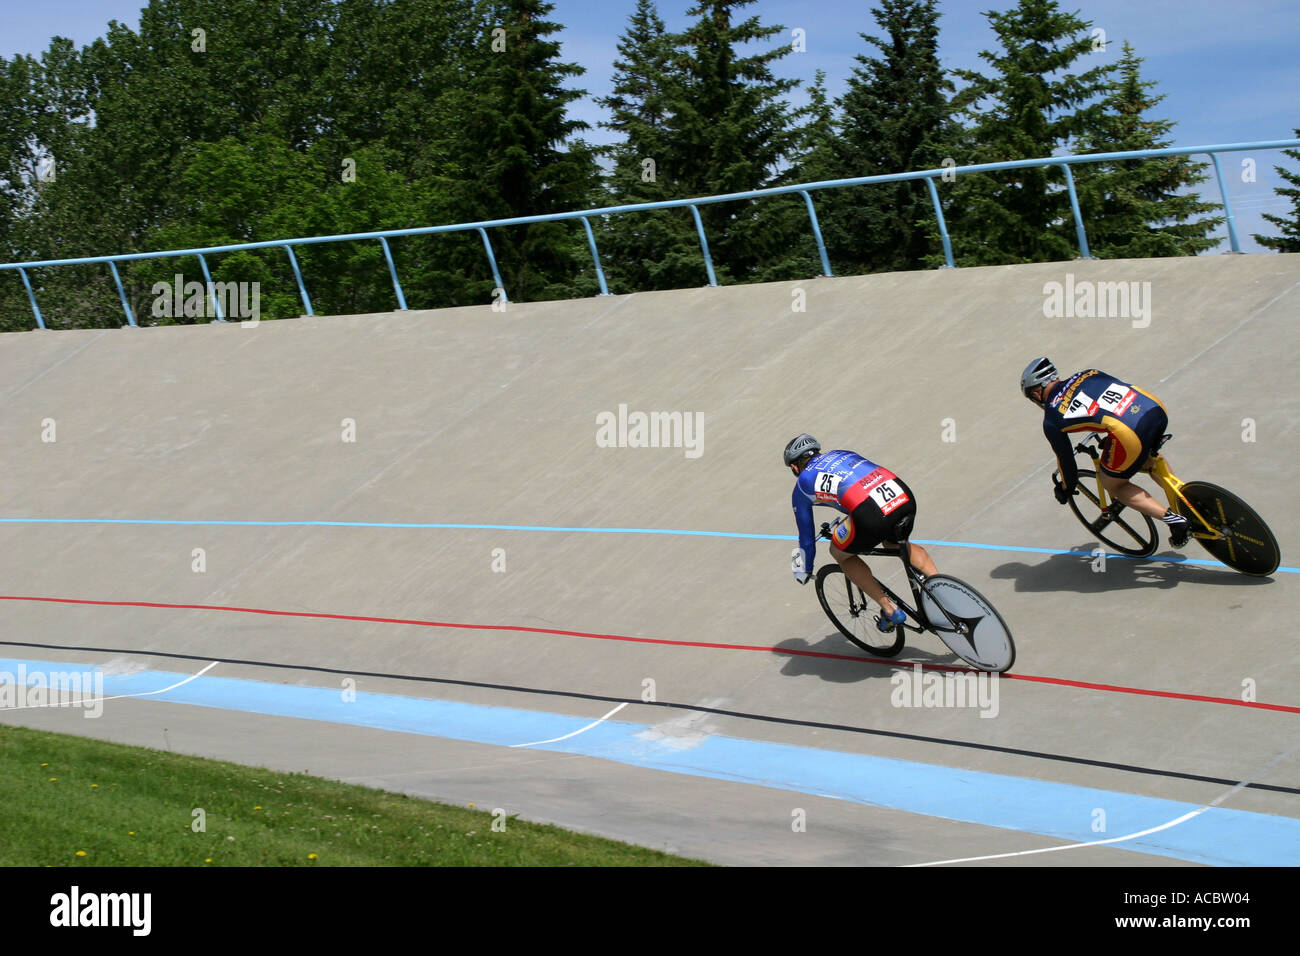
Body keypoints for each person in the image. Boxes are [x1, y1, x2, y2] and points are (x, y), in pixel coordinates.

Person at [1019, 357, 1190, 546]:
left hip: (1130, 434)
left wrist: (1066, 488)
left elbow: (1066, 461)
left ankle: (1176, 522)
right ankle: (1187, 500)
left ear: (1037, 392)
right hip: (1154, 408)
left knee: (1113, 484)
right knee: (1147, 456)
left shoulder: (1051, 419)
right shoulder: (1088, 373)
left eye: (1032, 398)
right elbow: (1115, 406)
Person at [785, 434, 939, 632]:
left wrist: (805, 569)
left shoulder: (801, 487)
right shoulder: (842, 453)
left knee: (840, 553)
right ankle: (947, 592)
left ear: (795, 467)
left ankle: (889, 610)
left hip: (869, 513)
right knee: (894, 543)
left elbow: (806, 537)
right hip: (901, 493)